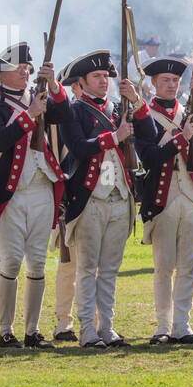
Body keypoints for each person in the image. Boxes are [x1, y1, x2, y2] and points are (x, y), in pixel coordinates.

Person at [59, 50, 156, 348]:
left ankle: (107, 327)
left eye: (106, 77)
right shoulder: (74, 110)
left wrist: (137, 101)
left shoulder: (118, 108)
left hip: (119, 196)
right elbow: (77, 147)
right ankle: (87, 329)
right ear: (82, 81)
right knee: (88, 268)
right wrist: (113, 137)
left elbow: (149, 134)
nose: (104, 81)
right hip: (90, 198)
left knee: (110, 268)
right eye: (97, 77)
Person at [0, 43, 72, 349]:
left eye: (27, 68)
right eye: (17, 68)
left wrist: (55, 84)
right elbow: (0, 140)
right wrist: (30, 115)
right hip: (12, 192)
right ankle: (6, 330)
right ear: (1, 74)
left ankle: (32, 330)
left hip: (42, 188)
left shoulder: (40, 96)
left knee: (37, 263)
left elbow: (65, 114)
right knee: (10, 263)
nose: (24, 72)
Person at [134, 55, 193, 344]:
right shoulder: (144, 115)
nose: (172, 85)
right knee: (164, 267)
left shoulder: (191, 110)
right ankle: (163, 325)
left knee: (189, 265)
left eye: (175, 80)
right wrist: (181, 138)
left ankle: (182, 324)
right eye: (166, 81)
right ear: (154, 83)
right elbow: (149, 157)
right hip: (164, 196)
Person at [52, 75, 84, 342]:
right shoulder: (63, 115)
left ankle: (97, 320)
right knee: (69, 265)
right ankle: (64, 322)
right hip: (68, 197)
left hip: (93, 195)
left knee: (96, 266)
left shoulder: (100, 112)